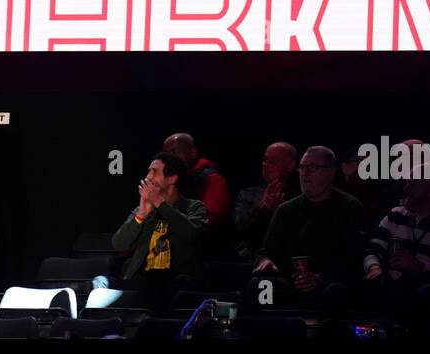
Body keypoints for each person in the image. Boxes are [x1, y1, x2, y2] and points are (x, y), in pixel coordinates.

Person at [252, 147, 367, 305]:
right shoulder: (286, 210)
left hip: (328, 283)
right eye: (302, 167)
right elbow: (265, 251)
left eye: (312, 167)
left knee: (337, 290)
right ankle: (268, 327)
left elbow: (354, 259)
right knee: (260, 285)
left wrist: (320, 278)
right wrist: (266, 261)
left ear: (331, 172)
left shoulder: (349, 207)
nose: (305, 173)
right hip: (291, 283)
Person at [111, 152, 208, 312]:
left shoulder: (194, 207)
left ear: (172, 179)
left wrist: (159, 203)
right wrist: (141, 215)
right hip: (144, 279)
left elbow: (191, 233)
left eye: (154, 171)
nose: (148, 177)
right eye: (148, 171)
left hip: (176, 279)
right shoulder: (142, 210)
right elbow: (119, 243)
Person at [364, 167, 430, 295]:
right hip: (390, 288)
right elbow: (373, 250)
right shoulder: (395, 215)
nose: (405, 189)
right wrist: (374, 268)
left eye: (413, 184)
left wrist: (420, 266)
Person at [232, 142, 299, 260]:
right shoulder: (247, 194)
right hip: (250, 258)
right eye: (265, 160)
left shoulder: (299, 197)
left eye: (273, 161)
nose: (266, 164)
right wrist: (262, 207)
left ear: (290, 165)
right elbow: (240, 229)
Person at [162, 133, 231, 230]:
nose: (169, 159)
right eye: (167, 155)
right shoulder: (171, 181)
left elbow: (210, 222)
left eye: (175, 152)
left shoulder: (212, 180)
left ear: (193, 152)